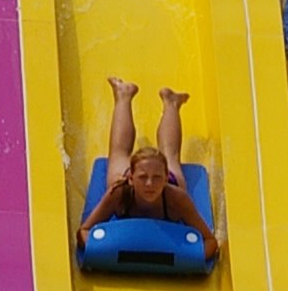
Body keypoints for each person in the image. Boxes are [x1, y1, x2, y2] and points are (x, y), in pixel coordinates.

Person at [76, 78, 219, 259]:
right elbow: (84, 231)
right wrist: (99, 252)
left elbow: (209, 241)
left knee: (170, 154)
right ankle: (123, 94)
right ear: (131, 178)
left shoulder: (177, 198)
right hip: (126, 186)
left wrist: (192, 260)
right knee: (119, 152)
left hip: (169, 190)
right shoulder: (119, 194)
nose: (150, 184)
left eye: (157, 177)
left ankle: (171, 102)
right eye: (143, 178)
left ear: (166, 178)